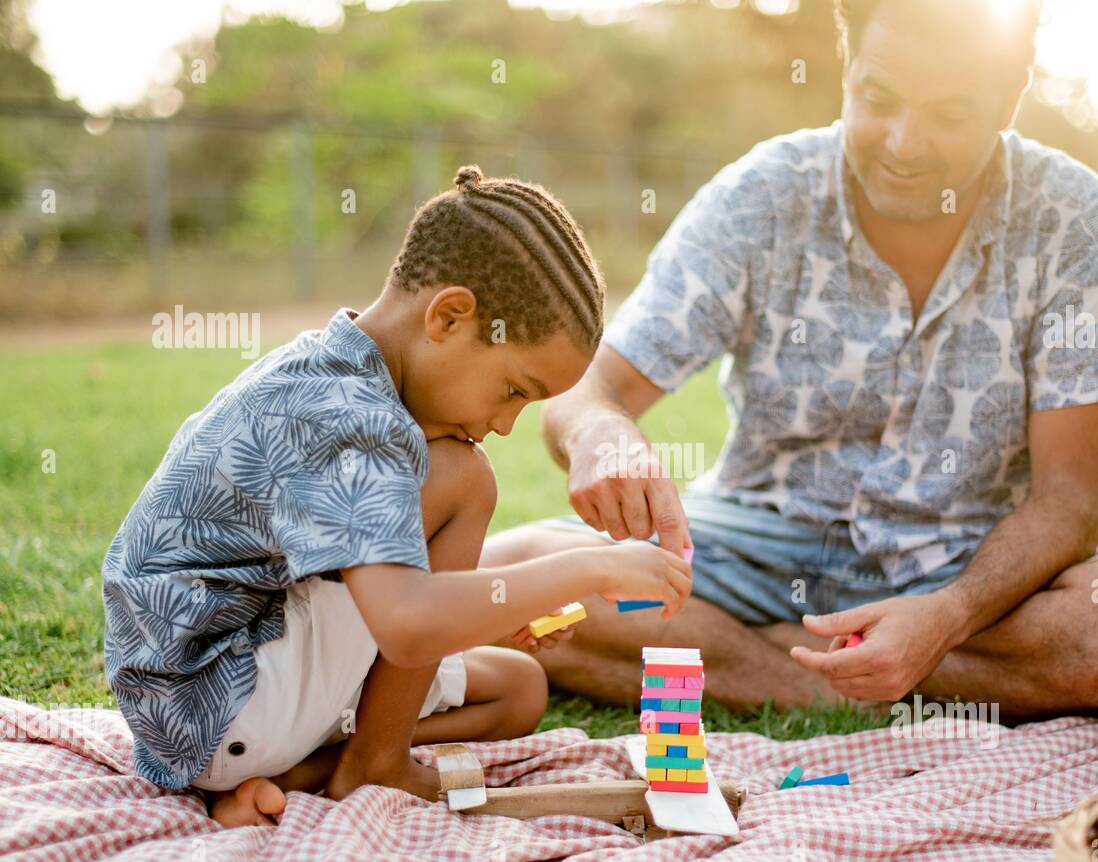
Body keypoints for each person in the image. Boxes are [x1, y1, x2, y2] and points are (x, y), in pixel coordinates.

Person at [481, 0, 1098, 722]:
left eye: (949, 115)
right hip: (749, 551)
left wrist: (948, 615)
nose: (902, 143)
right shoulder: (761, 194)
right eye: (878, 99)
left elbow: (1069, 507)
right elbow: (590, 391)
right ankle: (844, 680)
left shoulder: (1077, 221)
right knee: (490, 580)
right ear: (846, 70)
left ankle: (770, 664)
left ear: (1010, 98)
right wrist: (602, 437)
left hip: (972, 570)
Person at [102, 166, 692, 828]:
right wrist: (594, 567)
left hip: (201, 705)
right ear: (448, 316)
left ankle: (297, 775)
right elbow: (408, 627)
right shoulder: (356, 417)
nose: (504, 424)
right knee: (467, 480)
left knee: (518, 688)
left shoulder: (337, 369)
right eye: (513, 391)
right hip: (217, 693)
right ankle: (374, 765)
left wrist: (491, 609)